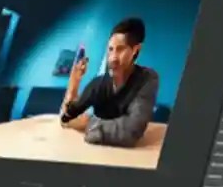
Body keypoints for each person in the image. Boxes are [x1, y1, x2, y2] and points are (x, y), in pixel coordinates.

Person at [60, 17, 159, 147]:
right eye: (110, 49)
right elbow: (66, 119)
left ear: (136, 50)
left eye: (120, 49)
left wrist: (90, 124)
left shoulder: (147, 79)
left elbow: (131, 131)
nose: (112, 58)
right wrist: (74, 82)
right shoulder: (98, 85)